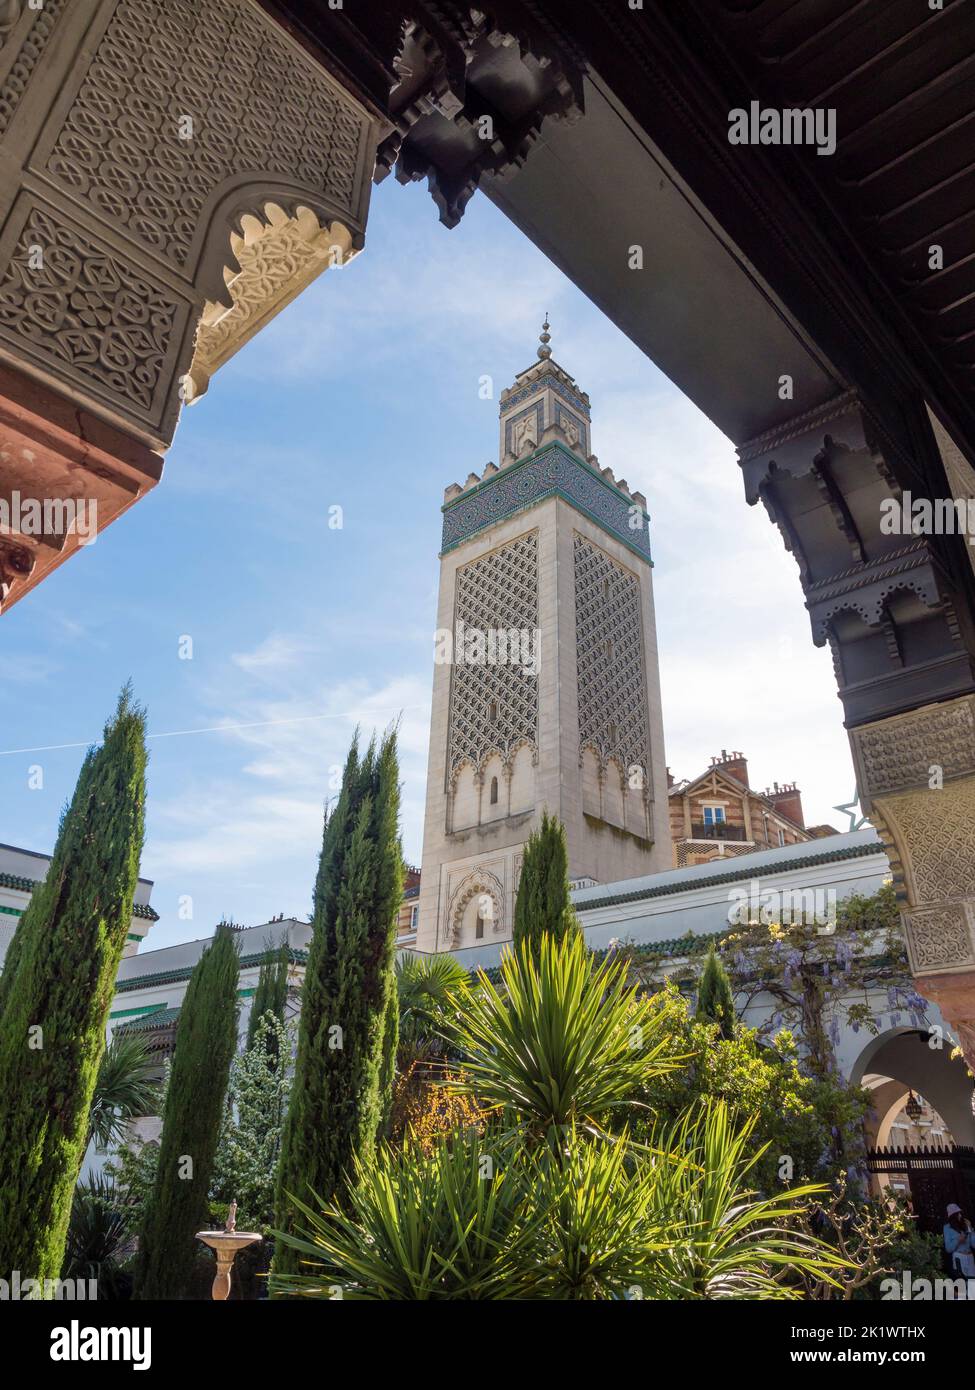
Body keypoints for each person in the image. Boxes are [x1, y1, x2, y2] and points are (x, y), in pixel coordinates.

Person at [943, 1203, 975, 1280]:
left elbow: (974, 1244)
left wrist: (970, 1229)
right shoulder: (947, 1228)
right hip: (959, 1257)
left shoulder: (965, 1225)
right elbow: (948, 1248)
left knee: (973, 1284)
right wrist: (958, 1240)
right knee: (962, 1284)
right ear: (953, 1216)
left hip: (970, 1257)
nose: (960, 1215)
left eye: (960, 1213)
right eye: (958, 1213)